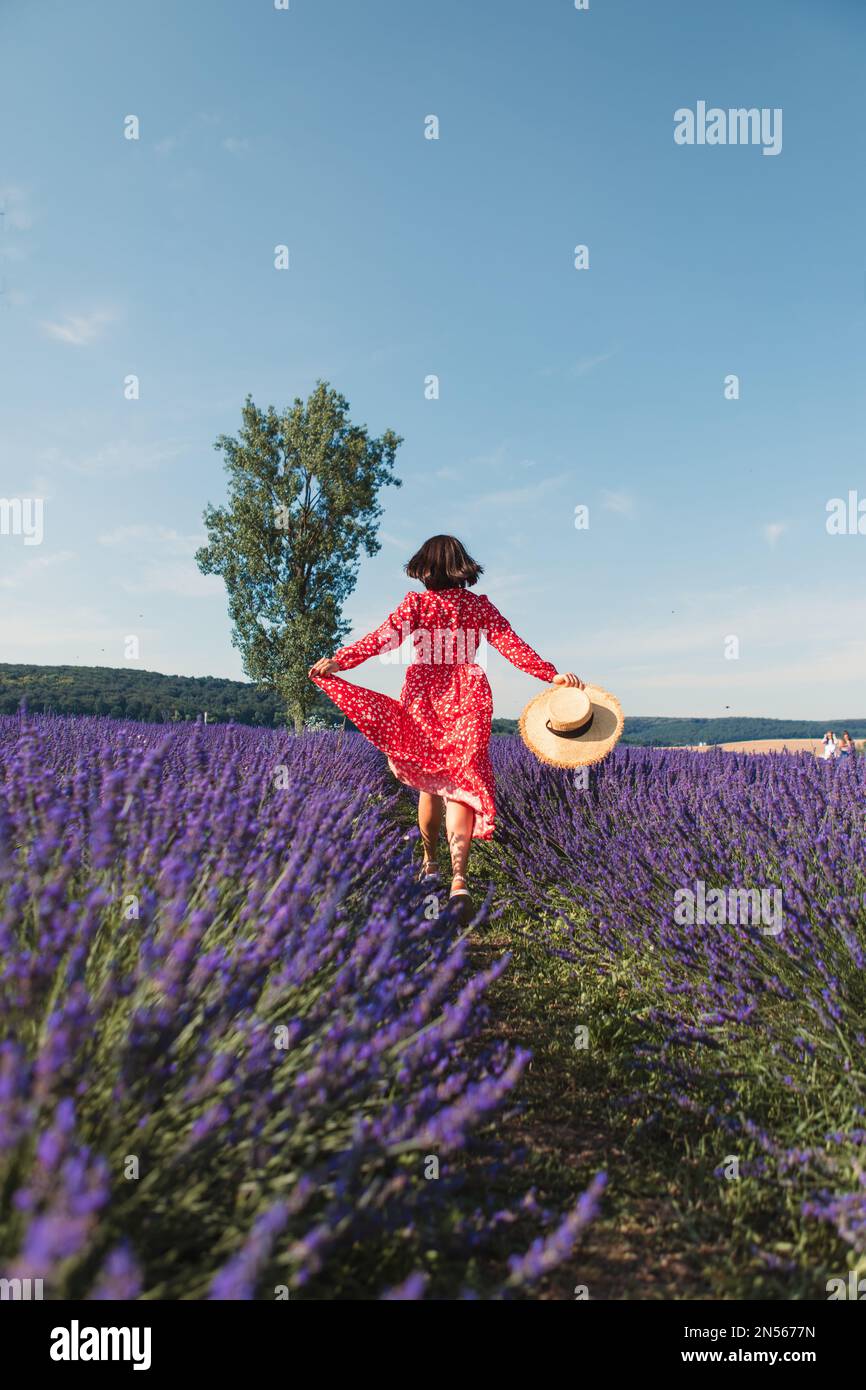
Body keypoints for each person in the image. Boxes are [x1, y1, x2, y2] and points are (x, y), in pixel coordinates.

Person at [309, 534, 581, 906]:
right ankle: (459, 880)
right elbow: (511, 644)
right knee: (462, 786)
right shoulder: (478, 607)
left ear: (424, 568)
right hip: (468, 695)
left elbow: (380, 640)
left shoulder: (416, 605)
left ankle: (430, 863)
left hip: (424, 694)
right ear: (461, 567)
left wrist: (340, 661)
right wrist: (550, 675)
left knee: (431, 785)